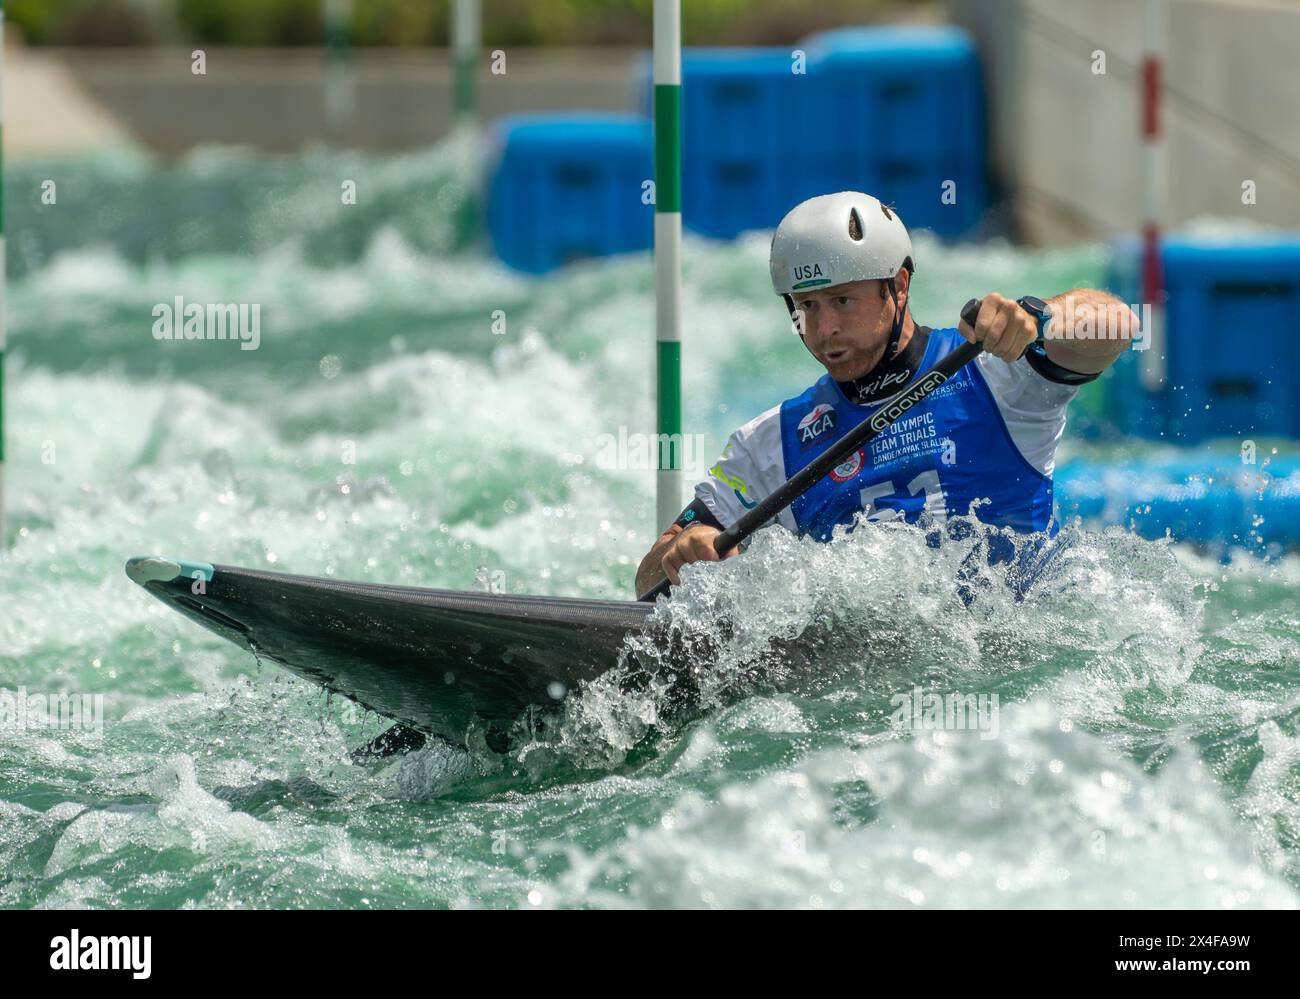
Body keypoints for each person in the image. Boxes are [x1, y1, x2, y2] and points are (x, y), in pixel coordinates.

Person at [635, 191, 1139, 598]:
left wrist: (1043, 315)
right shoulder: (770, 443)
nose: (824, 328)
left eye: (843, 300)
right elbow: (646, 582)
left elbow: (1120, 324)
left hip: (1017, 667)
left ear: (898, 286)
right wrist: (684, 553)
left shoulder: (997, 370)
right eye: (806, 306)